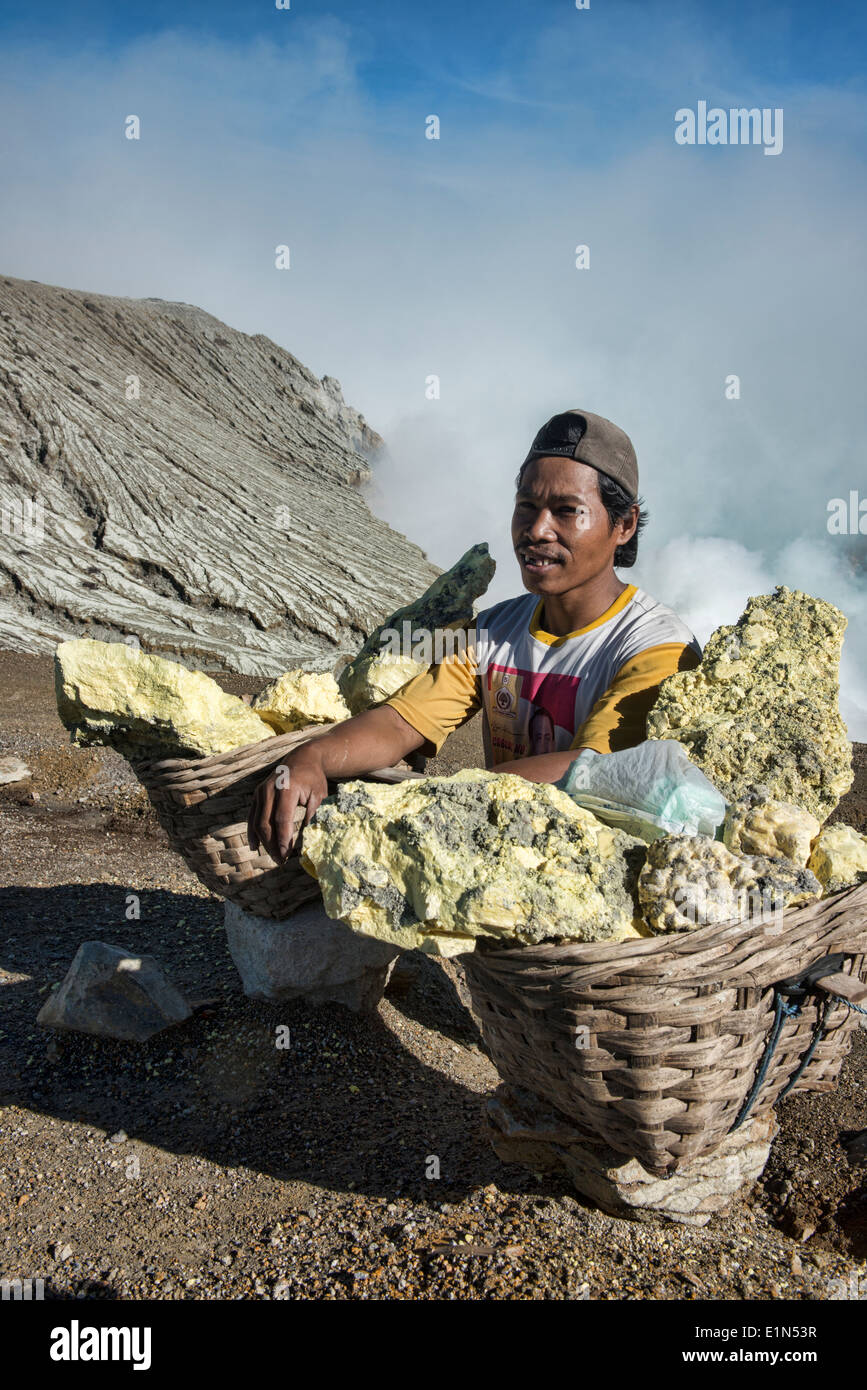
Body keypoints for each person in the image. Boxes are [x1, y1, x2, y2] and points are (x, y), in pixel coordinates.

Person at [248, 408, 701, 861]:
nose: (537, 530)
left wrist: (438, 802)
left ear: (623, 525)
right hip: (500, 863)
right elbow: (400, 722)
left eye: (567, 511)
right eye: (526, 507)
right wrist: (312, 757)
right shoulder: (491, 631)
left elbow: (591, 772)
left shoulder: (657, 648)